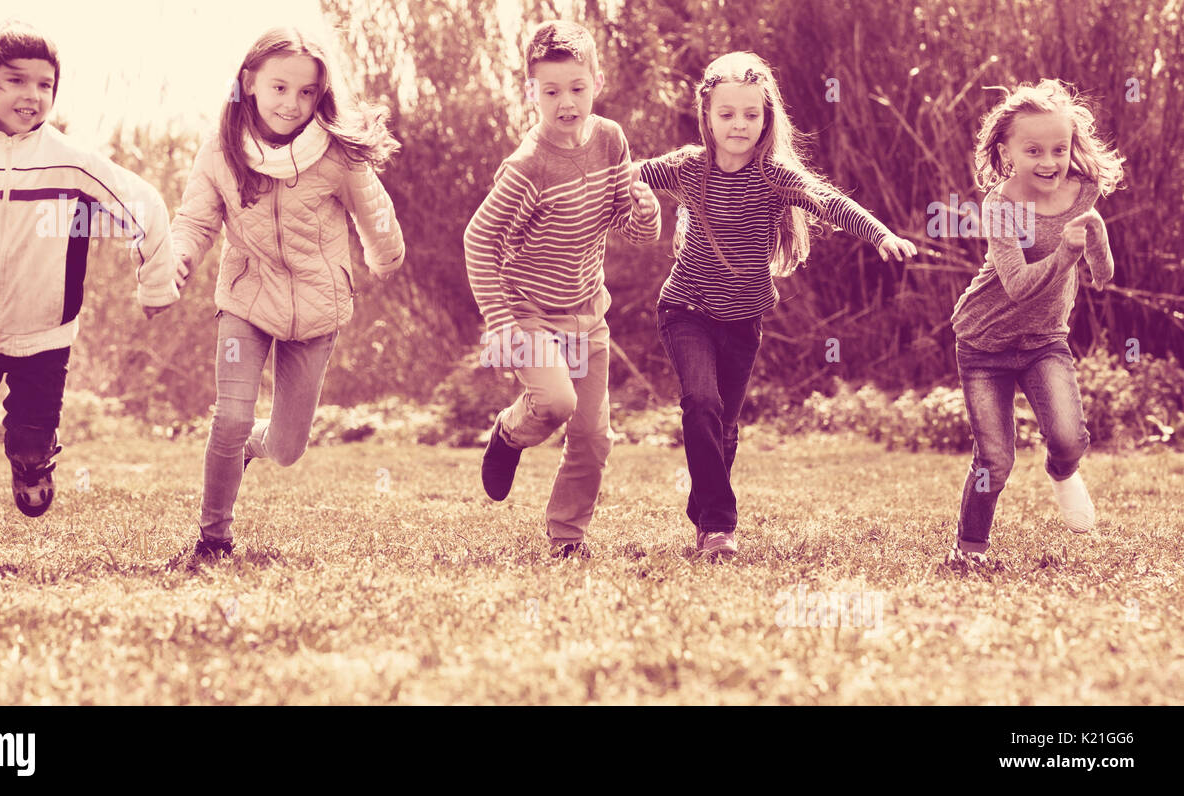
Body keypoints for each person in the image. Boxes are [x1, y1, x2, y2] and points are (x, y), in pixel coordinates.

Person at [0, 20, 180, 564]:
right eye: (15, 81)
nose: (32, 96)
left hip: (44, 337)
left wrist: (155, 283)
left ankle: (32, 459)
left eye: (45, 85)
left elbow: (143, 205)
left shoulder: (71, 162)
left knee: (27, 445)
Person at [635, 51, 916, 559]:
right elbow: (626, 176)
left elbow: (827, 201)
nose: (739, 124)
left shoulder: (773, 175)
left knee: (724, 428)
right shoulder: (687, 167)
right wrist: (577, 189)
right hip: (686, 310)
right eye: (727, 114)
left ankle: (703, 511)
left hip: (743, 320)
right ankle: (719, 526)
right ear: (707, 116)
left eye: (751, 114)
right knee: (702, 402)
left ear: (766, 118)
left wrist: (878, 233)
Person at [172, 26, 405, 559]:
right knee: (229, 417)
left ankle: (255, 446)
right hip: (246, 301)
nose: (292, 103)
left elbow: (373, 211)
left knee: (287, 448)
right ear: (249, 82)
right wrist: (180, 257)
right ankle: (214, 536)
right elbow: (195, 222)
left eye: (306, 92)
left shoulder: (336, 154)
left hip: (316, 310)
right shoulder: (221, 151)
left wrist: (385, 255)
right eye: (279, 88)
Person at [464, 20, 660, 559]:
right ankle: (509, 432)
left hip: (587, 314)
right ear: (531, 92)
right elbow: (478, 239)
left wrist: (647, 213)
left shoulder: (611, 140)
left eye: (576, 88)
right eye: (550, 91)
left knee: (594, 439)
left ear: (597, 81)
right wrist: (501, 324)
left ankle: (567, 538)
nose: (566, 102)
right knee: (554, 402)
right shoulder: (527, 168)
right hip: (528, 311)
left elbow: (631, 227)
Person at [949, 79, 1123, 566]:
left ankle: (1063, 472)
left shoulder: (1082, 192)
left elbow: (1096, 248)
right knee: (996, 459)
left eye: (1059, 149)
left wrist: (1097, 249)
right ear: (1006, 151)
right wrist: (1069, 253)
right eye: (1033, 150)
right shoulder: (1000, 207)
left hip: (1045, 339)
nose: (1049, 161)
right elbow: (1019, 285)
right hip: (983, 343)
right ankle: (970, 549)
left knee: (1069, 438)